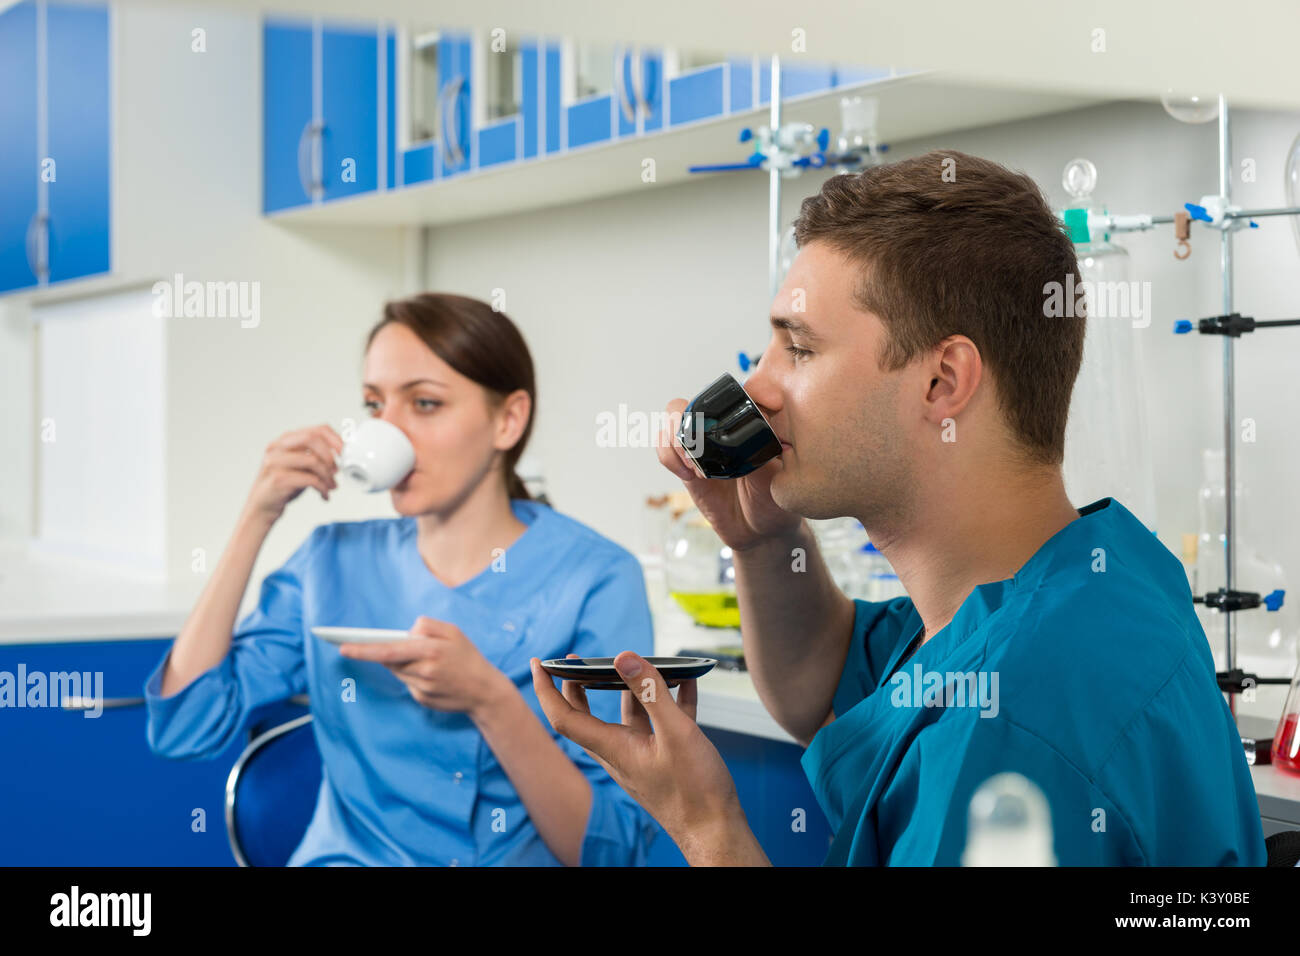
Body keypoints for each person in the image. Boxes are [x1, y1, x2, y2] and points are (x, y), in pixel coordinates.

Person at [531, 150, 1268, 866]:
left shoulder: (1010, 733)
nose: (756, 386)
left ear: (943, 383)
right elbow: (824, 691)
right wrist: (762, 541)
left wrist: (705, 826)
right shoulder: (1080, 580)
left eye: (800, 349)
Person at [145, 292, 657, 866]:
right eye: (374, 405)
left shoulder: (595, 579)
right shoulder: (330, 563)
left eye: (425, 403)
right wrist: (256, 517)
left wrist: (492, 703)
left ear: (507, 420)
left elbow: (612, 854)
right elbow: (185, 728)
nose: (388, 434)